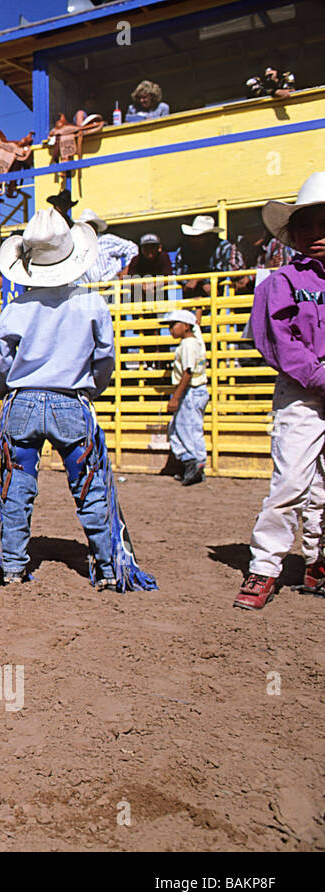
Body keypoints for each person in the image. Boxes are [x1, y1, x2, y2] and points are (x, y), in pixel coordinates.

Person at [0, 209, 156, 592]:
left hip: (22, 403)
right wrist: (90, 390)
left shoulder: (15, 309)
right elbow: (104, 359)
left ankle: (11, 565)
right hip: (71, 403)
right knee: (90, 484)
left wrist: (3, 391)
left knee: (16, 486)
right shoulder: (91, 305)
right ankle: (110, 567)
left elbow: (0, 364)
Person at [234, 171, 325, 610]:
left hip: (311, 384)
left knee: (322, 486)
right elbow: (279, 342)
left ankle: (316, 560)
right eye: (310, 224)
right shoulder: (282, 282)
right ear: (296, 233)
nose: (319, 233)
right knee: (291, 480)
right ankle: (265, 566)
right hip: (302, 391)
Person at [162, 310, 208, 486]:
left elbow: (188, 372)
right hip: (192, 390)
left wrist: (175, 397)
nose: (171, 329)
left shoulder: (189, 344)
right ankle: (191, 463)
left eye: (174, 325)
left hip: (191, 390)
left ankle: (195, 464)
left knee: (188, 428)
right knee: (179, 428)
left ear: (186, 326)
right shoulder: (193, 342)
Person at [176, 215, 249, 299]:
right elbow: (179, 272)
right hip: (192, 291)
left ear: (210, 236)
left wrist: (200, 280)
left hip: (216, 289)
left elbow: (223, 272)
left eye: (200, 237)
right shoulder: (184, 249)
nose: (195, 240)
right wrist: (189, 282)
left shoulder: (223, 247)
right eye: (193, 237)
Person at [79, 209, 138, 283]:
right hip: (92, 288)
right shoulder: (80, 245)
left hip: (112, 284)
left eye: (89, 225)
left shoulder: (106, 239)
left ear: (95, 226)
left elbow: (132, 248)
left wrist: (127, 269)